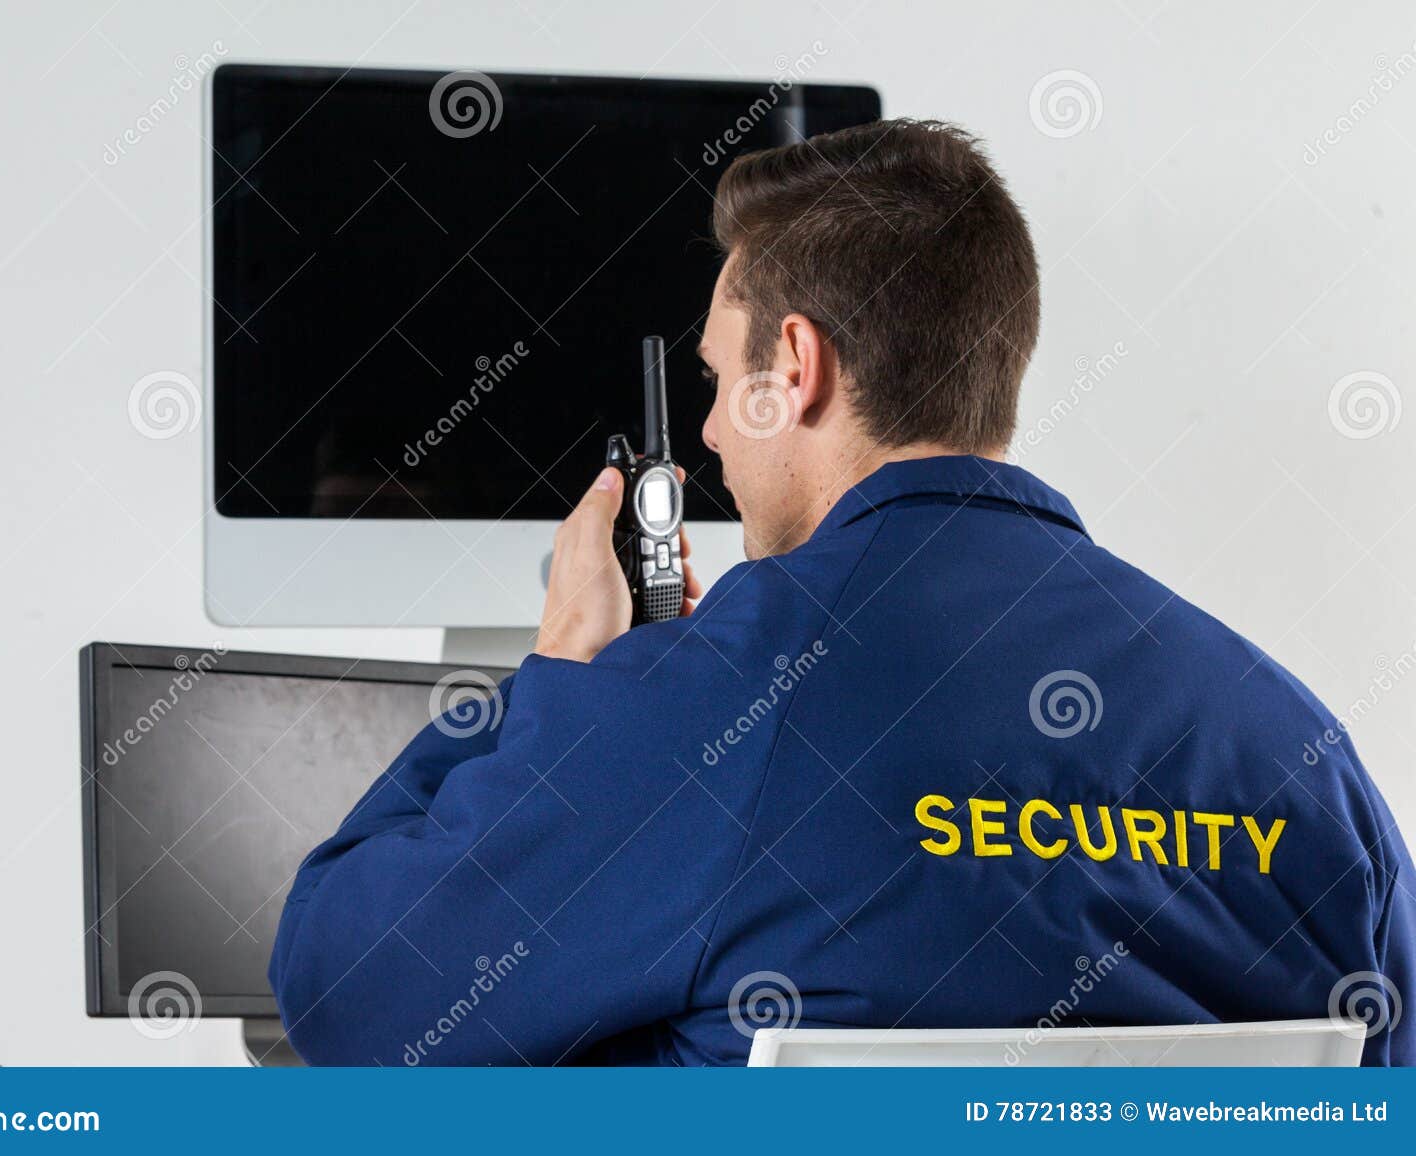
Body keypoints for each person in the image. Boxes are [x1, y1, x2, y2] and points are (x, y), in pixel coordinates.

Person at [269, 119, 1413, 1066]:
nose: (709, 431)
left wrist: (563, 669)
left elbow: (350, 994)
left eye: (719, 378)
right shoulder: (1295, 747)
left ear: (796, 367)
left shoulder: (704, 709)